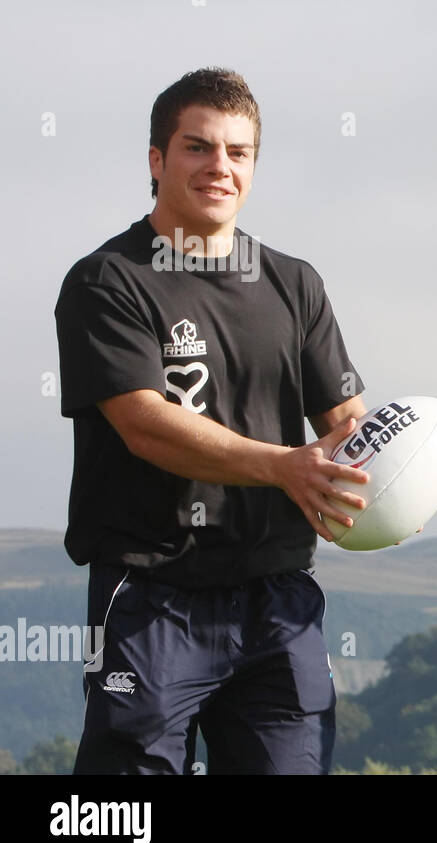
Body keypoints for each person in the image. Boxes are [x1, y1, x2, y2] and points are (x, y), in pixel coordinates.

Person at [55, 68, 371, 774]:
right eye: (198, 147)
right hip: (150, 596)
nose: (219, 167)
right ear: (156, 160)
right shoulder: (107, 281)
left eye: (238, 151)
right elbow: (144, 422)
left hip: (278, 596)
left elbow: (346, 419)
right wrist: (285, 465)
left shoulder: (295, 283)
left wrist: (398, 464)